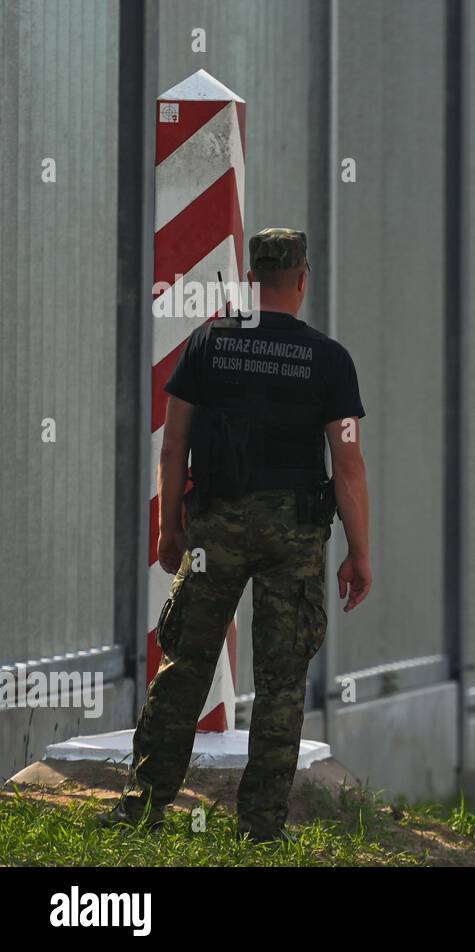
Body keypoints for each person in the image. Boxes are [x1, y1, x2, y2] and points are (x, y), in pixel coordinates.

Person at [102, 228, 373, 841]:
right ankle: (261, 827)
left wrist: (172, 527)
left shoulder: (208, 344)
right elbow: (348, 462)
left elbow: (173, 445)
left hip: (214, 529)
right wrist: (359, 553)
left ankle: (142, 808)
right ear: (302, 279)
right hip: (295, 534)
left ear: (252, 279)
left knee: (186, 664)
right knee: (280, 679)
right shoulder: (329, 359)